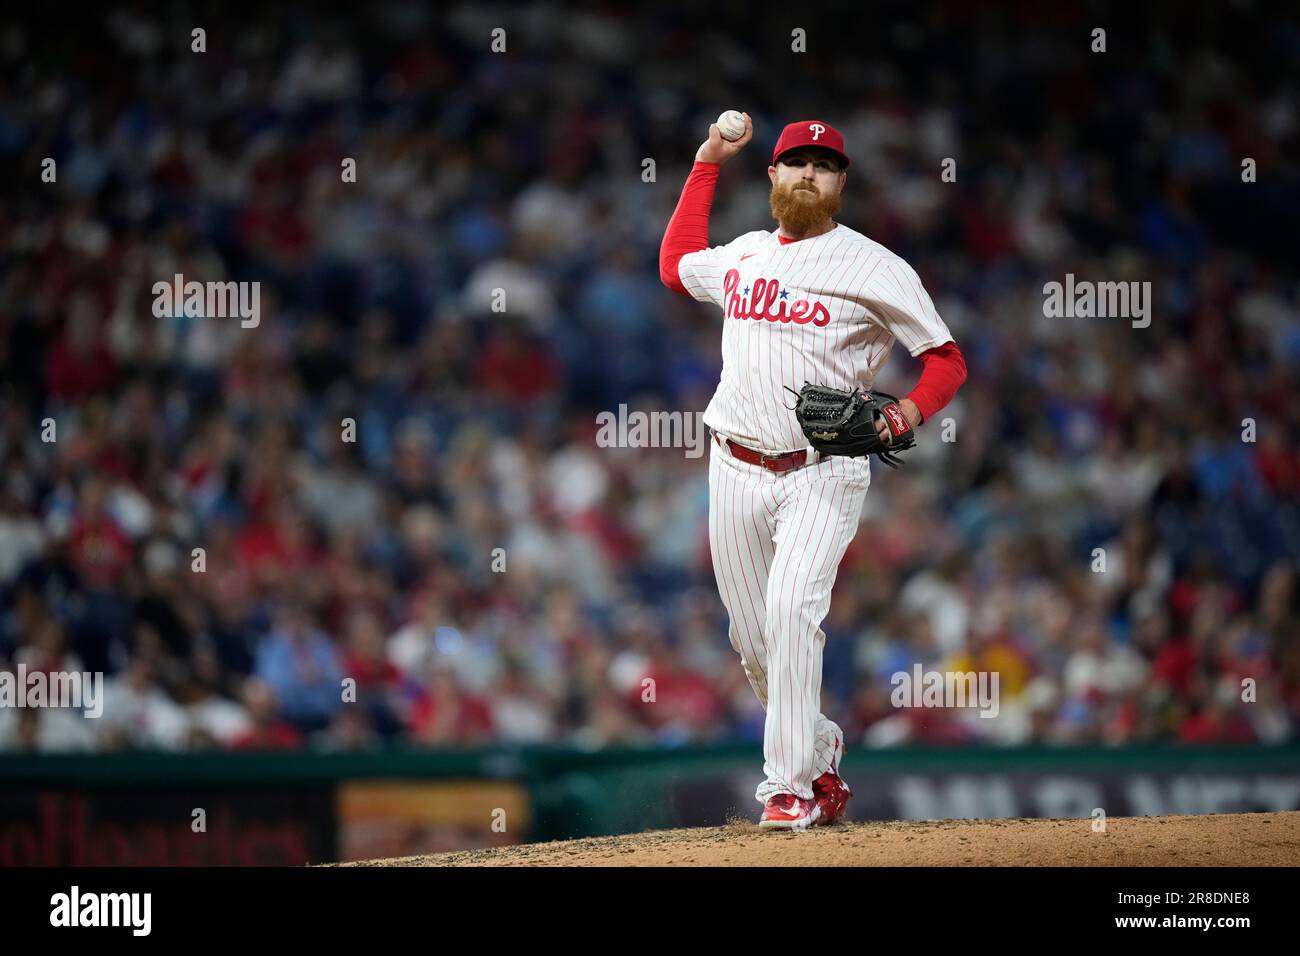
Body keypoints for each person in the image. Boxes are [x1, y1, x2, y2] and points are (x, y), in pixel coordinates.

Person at [659, 116, 968, 829]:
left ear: (841, 183)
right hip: (734, 466)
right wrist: (706, 159)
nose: (808, 174)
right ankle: (820, 744)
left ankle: (789, 789)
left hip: (823, 471)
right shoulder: (744, 255)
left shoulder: (877, 268)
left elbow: (946, 361)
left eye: (823, 166)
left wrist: (903, 416)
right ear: (771, 177)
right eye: (795, 162)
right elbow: (675, 265)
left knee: (794, 613)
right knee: (756, 644)